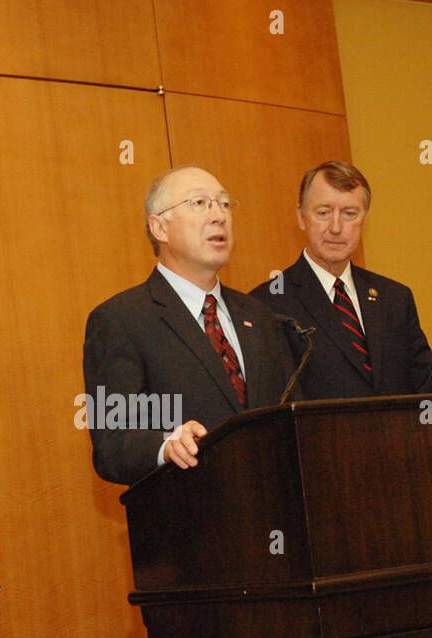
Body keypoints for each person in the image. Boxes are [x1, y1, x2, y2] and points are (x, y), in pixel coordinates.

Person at [83, 165, 299, 485]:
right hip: (189, 518)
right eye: (199, 203)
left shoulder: (261, 316)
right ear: (160, 228)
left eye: (224, 204)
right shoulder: (120, 321)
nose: (219, 216)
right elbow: (111, 446)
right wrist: (165, 446)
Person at [249, 160, 432, 398]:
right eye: (324, 213)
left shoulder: (395, 299)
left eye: (349, 214)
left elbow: (424, 393)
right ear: (301, 217)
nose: (336, 227)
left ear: (364, 220)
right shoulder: (266, 304)